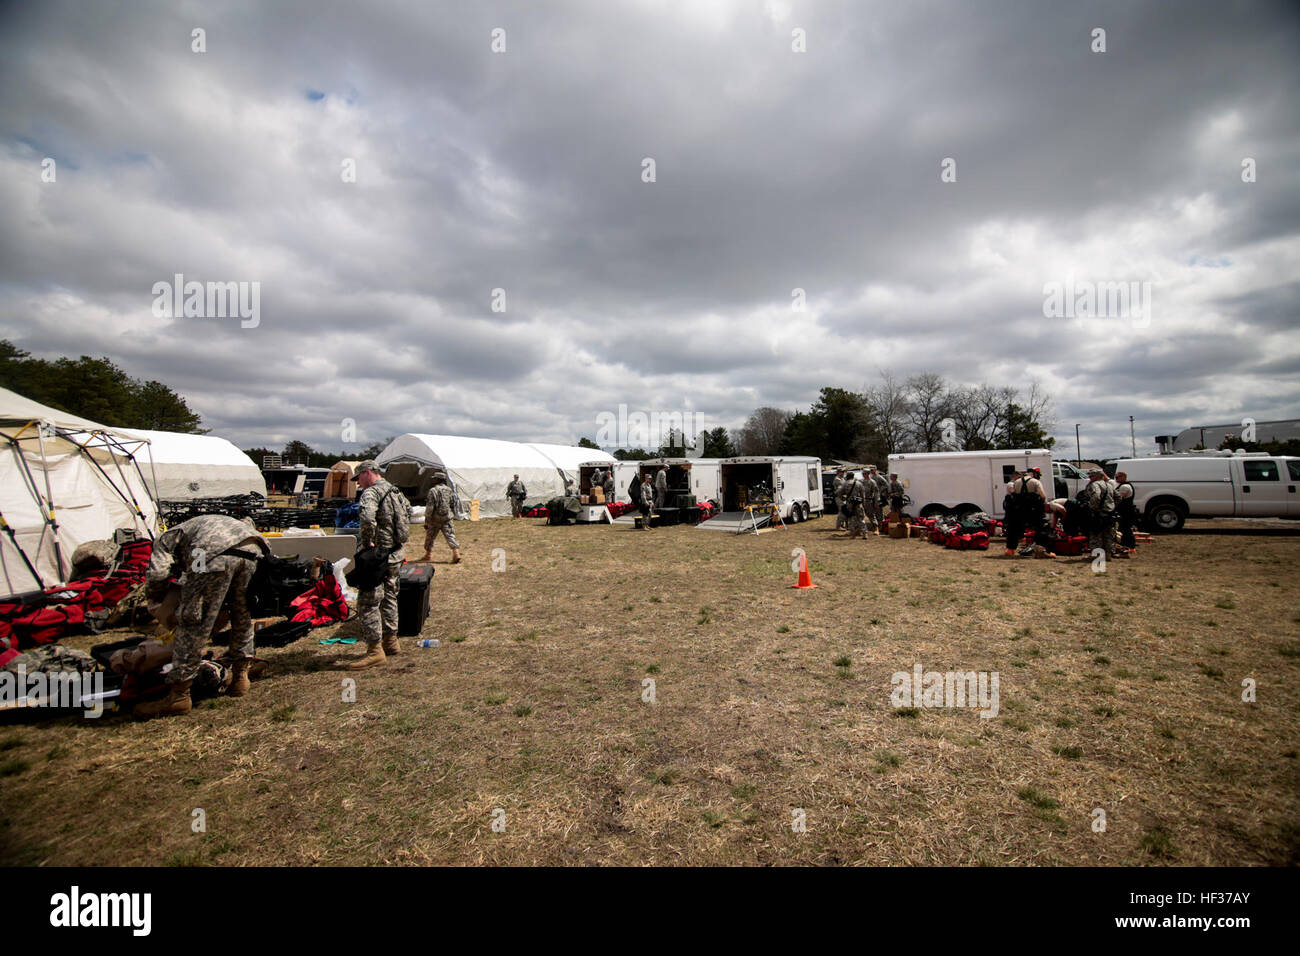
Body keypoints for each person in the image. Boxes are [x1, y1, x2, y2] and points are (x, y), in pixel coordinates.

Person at [135, 514, 269, 718]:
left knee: (194, 619)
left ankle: (179, 694)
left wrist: (156, 600)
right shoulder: (212, 523)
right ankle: (241, 676)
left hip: (209, 553)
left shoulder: (167, 537)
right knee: (242, 613)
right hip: (253, 551)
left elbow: (158, 574)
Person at [335, 461, 410, 669]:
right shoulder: (395, 491)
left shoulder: (371, 494)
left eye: (358, 478)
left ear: (367, 473)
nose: (358, 483)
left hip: (378, 556)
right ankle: (391, 641)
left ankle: (375, 650)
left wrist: (368, 542)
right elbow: (409, 513)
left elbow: (367, 519)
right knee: (390, 596)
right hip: (395, 553)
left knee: (368, 601)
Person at [1003, 468, 1047, 555]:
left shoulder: (1017, 482)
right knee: (1040, 528)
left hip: (1018, 510)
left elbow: (1013, 494)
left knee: (1013, 529)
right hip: (1032, 510)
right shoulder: (1035, 482)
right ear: (1035, 474)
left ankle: (1010, 549)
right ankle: (1040, 548)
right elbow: (1042, 496)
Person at [421, 471, 461, 564]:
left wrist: (427, 521)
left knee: (430, 537)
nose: (433, 480)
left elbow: (430, 507)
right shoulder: (449, 490)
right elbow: (453, 503)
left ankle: (428, 555)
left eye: (434, 478)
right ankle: (456, 553)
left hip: (435, 519)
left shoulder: (433, 491)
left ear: (437, 480)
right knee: (450, 535)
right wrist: (452, 514)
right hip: (447, 518)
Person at [1078, 468, 1117, 558]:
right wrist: (1112, 506)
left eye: (1092, 476)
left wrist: (1093, 508)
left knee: (1096, 533)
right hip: (1109, 513)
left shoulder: (1095, 485)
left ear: (1097, 476)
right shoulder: (1109, 485)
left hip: (1098, 513)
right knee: (1108, 534)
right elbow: (1118, 497)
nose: (1090, 478)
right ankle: (1108, 554)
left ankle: (1097, 555)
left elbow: (1096, 496)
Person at [1113, 470, 1138, 554]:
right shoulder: (1124, 485)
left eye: (1117, 477)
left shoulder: (1125, 487)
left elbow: (1119, 498)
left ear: (1123, 477)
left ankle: (1130, 546)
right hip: (1125, 511)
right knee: (1123, 529)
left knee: (1125, 529)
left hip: (1126, 511)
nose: (1116, 479)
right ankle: (1126, 545)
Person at [841, 471, 869, 538]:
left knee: (851, 518)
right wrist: (863, 503)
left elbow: (839, 492)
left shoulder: (845, 484)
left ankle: (853, 534)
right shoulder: (859, 483)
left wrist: (843, 498)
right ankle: (865, 533)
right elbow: (863, 495)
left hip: (849, 503)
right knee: (861, 518)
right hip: (858, 503)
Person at [868, 466, 889, 535]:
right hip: (872, 497)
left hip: (878, 497)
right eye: (870, 470)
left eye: (872, 470)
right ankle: (876, 525)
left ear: (875, 470)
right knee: (874, 511)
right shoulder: (871, 477)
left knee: (879, 511)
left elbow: (886, 484)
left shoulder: (879, 477)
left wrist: (880, 490)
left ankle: (881, 526)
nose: (871, 471)